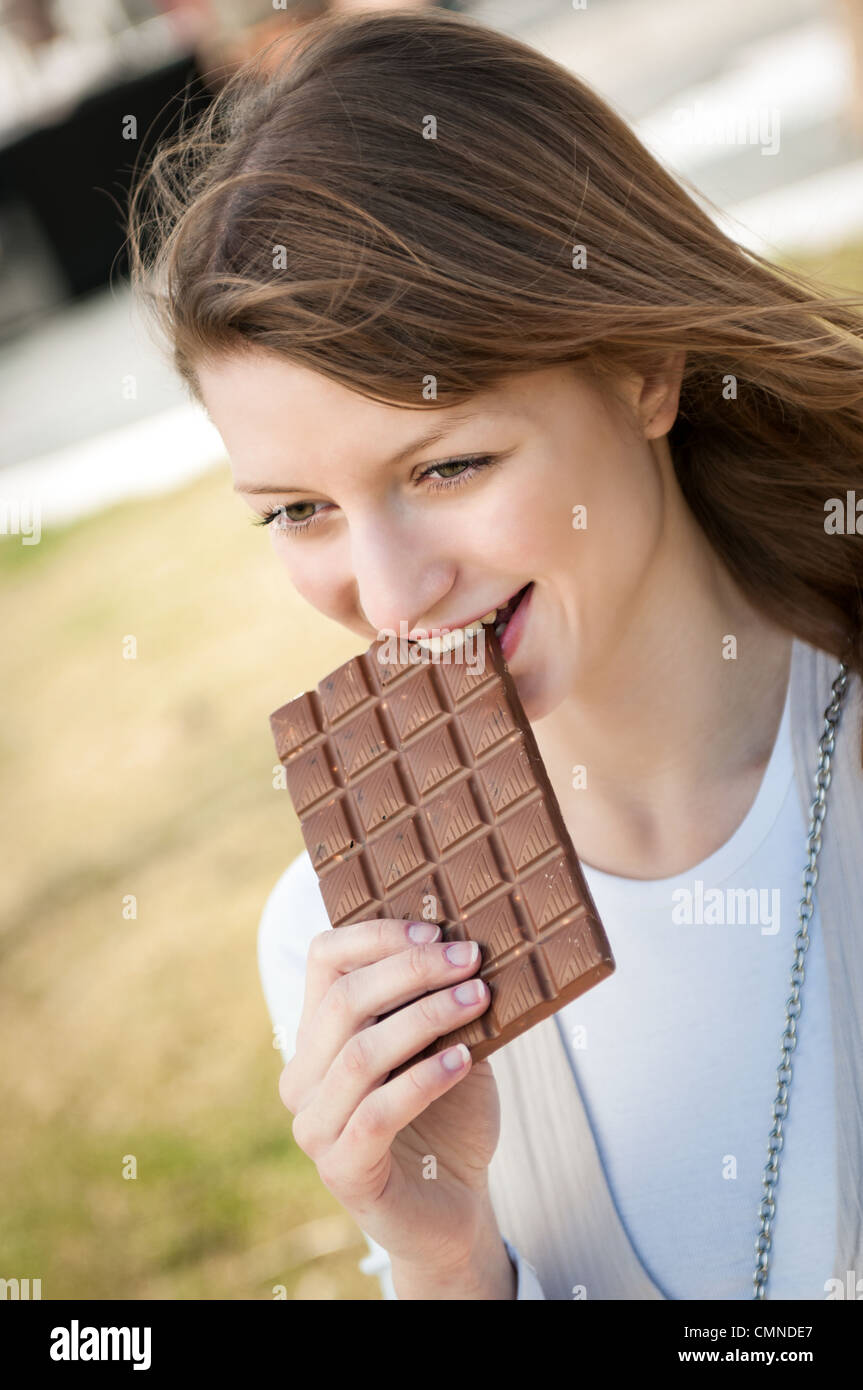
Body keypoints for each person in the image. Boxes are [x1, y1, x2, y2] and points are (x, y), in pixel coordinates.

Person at [127, 9, 863, 1300]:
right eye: (299, 509)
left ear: (643, 367)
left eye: (448, 464)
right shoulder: (340, 949)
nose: (392, 594)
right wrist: (444, 1252)